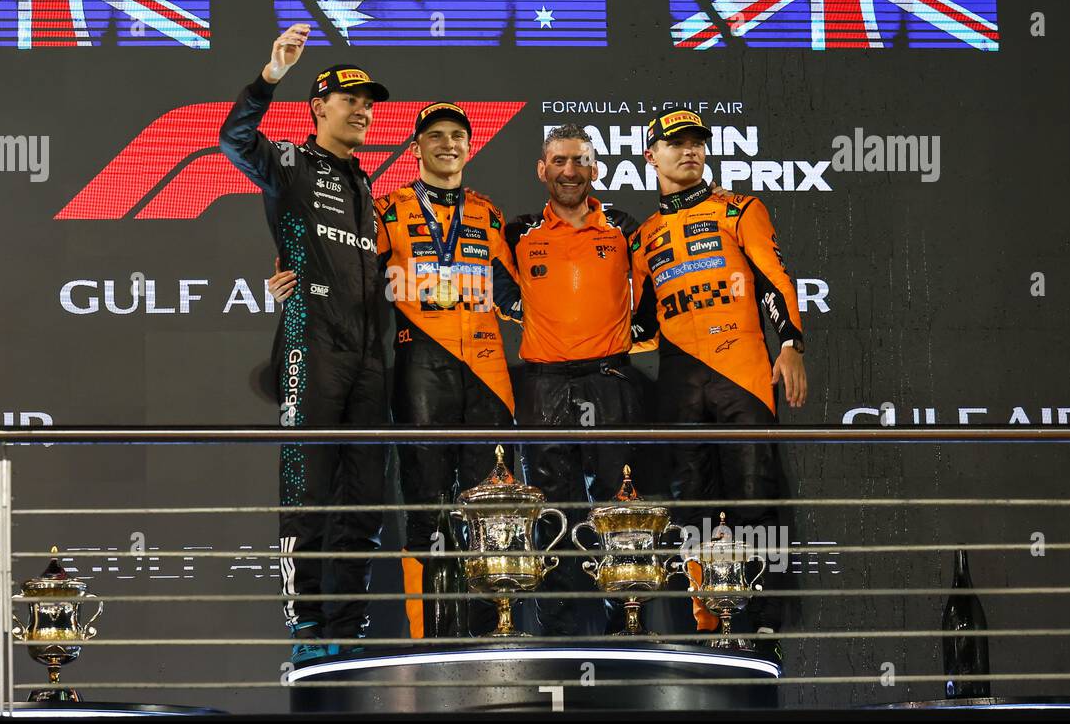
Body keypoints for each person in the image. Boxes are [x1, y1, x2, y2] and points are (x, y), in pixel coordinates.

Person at [273, 103, 522, 640]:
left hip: (488, 372)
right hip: (419, 366)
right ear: (416, 148)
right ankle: (429, 636)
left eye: (458, 135)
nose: (447, 144)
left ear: (470, 146)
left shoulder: (490, 214)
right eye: (435, 136)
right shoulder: (385, 209)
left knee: (492, 508)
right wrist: (291, 276)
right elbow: (347, 267)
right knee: (426, 509)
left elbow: (517, 296)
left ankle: (488, 633)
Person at [218, 23, 389, 662]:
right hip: (308, 341)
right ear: (319, 107)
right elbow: (233, 139)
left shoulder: (367, 184)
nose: (365, 111)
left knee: (364, 496)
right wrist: (270, 75)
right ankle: (308, 626)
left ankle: (351, 626)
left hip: (370, 357)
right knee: (307, 488)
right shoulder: (289, 162)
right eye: (352, 101)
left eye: (369, 103)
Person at [631, 106, 808, 642]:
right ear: (652, 155)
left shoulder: (740, 209)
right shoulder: (642, 238)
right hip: (679, 379)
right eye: (676, 143)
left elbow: (773, 279)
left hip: (742, 373)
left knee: (756, 497)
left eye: (697, 142)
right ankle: (708, 620)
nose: (690, 151)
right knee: (692, 504)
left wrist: (792, 344)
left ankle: (764, 624)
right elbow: (636, 322)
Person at [505, 124, 646, 636]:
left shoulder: (626, 227)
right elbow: (493, 284)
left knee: (619, 503)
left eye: (580, 161)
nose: (569, 171)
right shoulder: (516, 230)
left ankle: (625, 628)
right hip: (543, 383)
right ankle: (559, 630)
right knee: (550, 508)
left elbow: (653, 288)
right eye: (559, 161)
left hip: (610, 379)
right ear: (542, 169)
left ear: (595, 169)